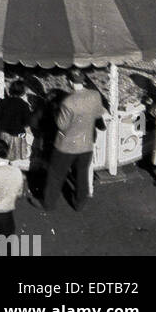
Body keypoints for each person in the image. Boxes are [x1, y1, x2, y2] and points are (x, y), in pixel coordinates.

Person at [42, 69, 107, 212]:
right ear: (83, 80)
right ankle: (79, 203)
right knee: (82, 174)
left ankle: (49, 204)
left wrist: (55, 113)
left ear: (70, 82)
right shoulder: (95, 95)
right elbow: (97, 114)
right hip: (86, 143)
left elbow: (62, 125)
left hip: (66, 146)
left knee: (55, 175)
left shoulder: (68, 102)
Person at [0, 79, 35, 166]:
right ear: (23, 92)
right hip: (18, 136)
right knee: (14, 162)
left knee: (2, 160)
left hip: (3, 135)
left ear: (10, 90)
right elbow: (26, 124)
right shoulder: (24, 105)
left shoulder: (3, 102)